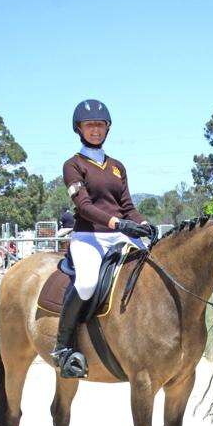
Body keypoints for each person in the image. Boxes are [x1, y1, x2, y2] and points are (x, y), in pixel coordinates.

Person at [50, 99, 157, 379]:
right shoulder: (72, 165)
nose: (95, 130)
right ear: (79, 129)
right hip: (89, 237)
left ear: (107, 129)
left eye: (100, 125)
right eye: (90, 125)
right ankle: (63, 348)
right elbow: (84, 206)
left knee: (154, 267)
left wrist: (143, 224)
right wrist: (115, 222)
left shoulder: (118, 167)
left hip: (119, 234)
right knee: (86, 284)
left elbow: (127, 205)